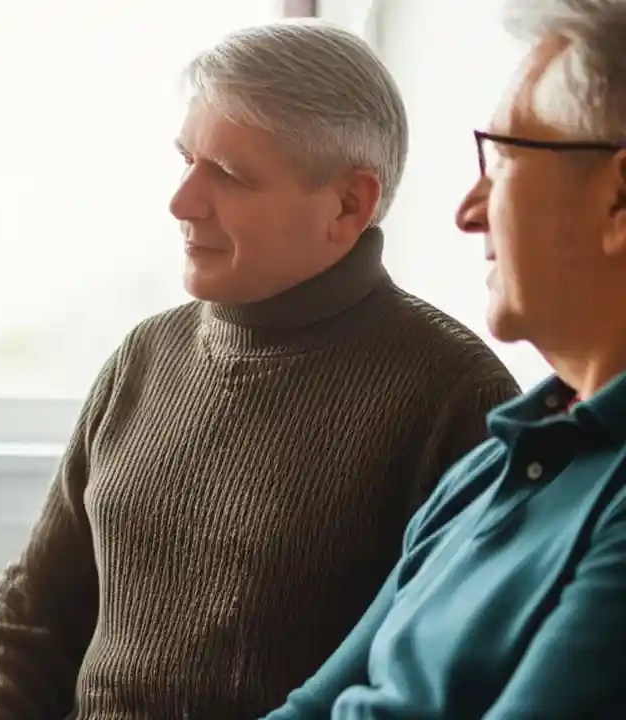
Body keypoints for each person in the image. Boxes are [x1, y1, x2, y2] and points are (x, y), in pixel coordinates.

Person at [0, 20, 522, 720]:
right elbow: (30, 617)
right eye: (186, 159)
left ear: (349, 205)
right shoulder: (144, 356)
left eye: (228, 174)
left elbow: (455, 688)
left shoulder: (458, 399)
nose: (182, 201)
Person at [263, 1, 626, 718]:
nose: (469, 210)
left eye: (506, 158)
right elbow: (311, 707)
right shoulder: (498, 458)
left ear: (618, 200)